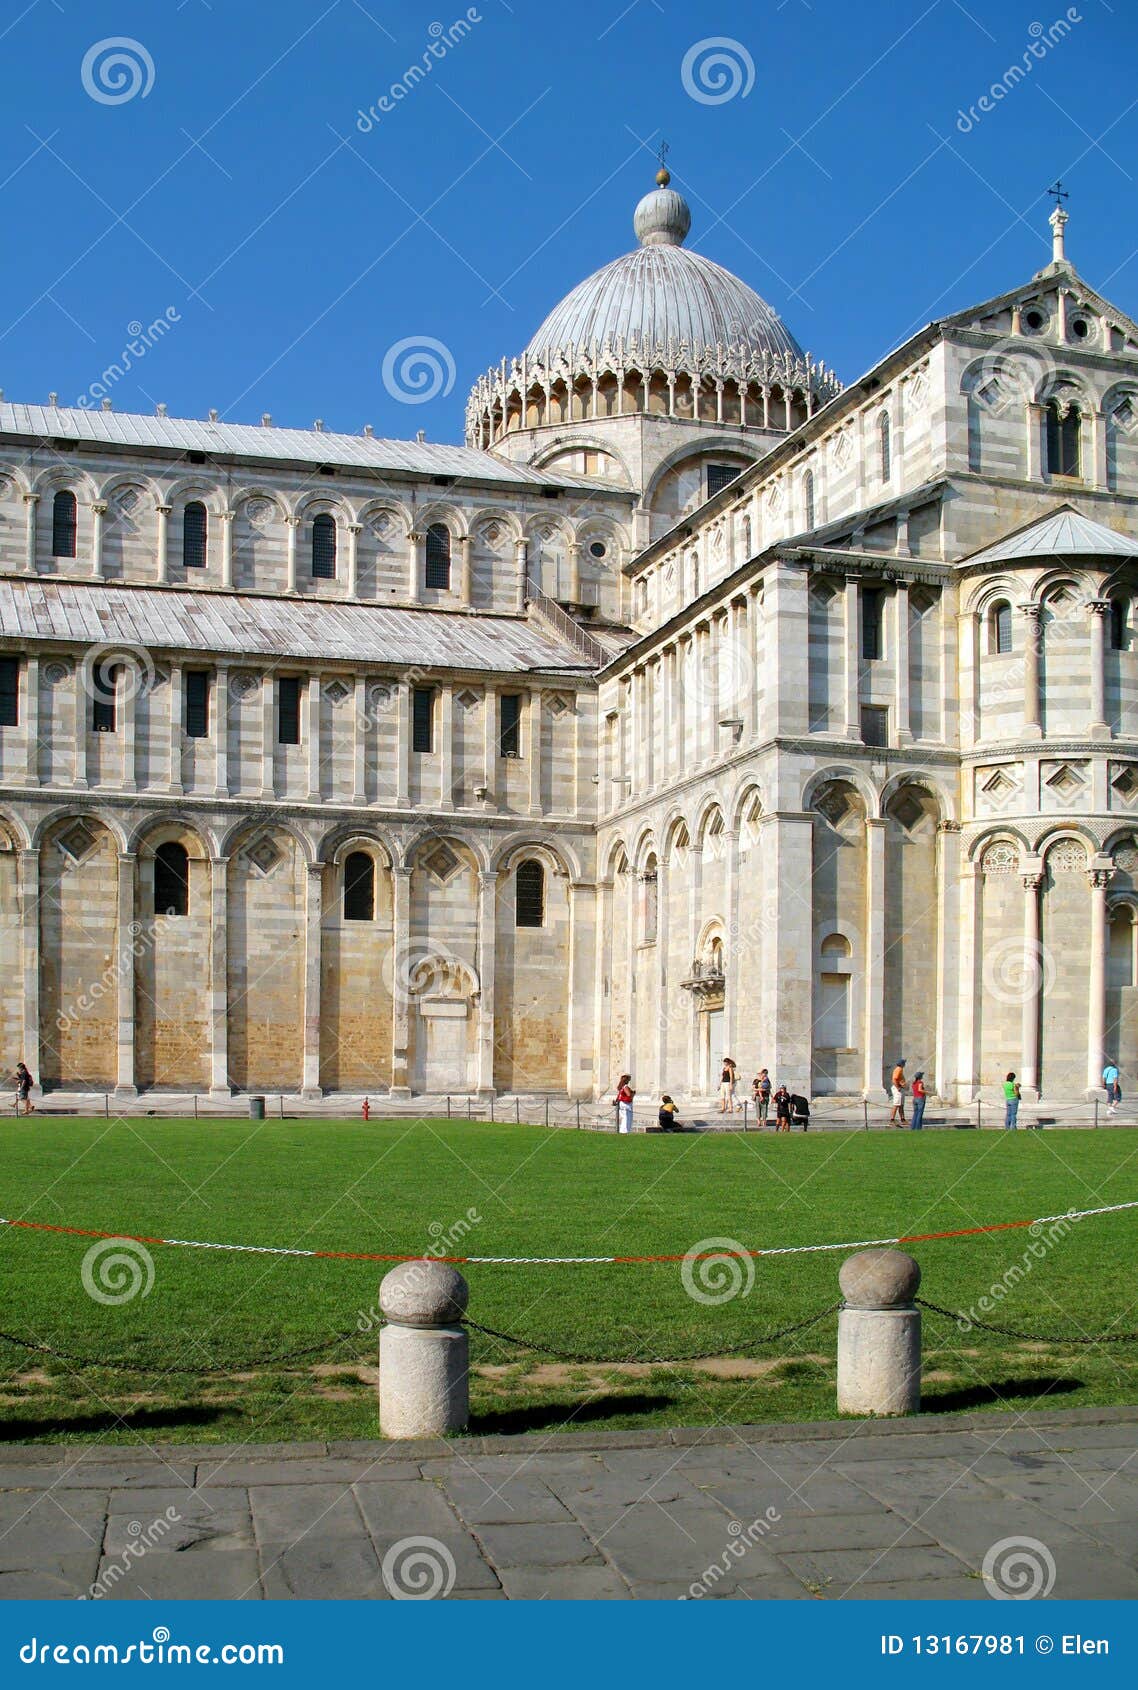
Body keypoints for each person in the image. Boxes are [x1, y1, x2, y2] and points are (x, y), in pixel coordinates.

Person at [889, 1058, 908, 1127]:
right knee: (896, 1104)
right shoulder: (899, 1069)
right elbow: (894, 1079)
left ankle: (903, 1119)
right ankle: (892, 1120)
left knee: (901, 1105)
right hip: (898, 1088)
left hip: (900, 1088)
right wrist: (898, 1087)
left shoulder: (900, 1069)